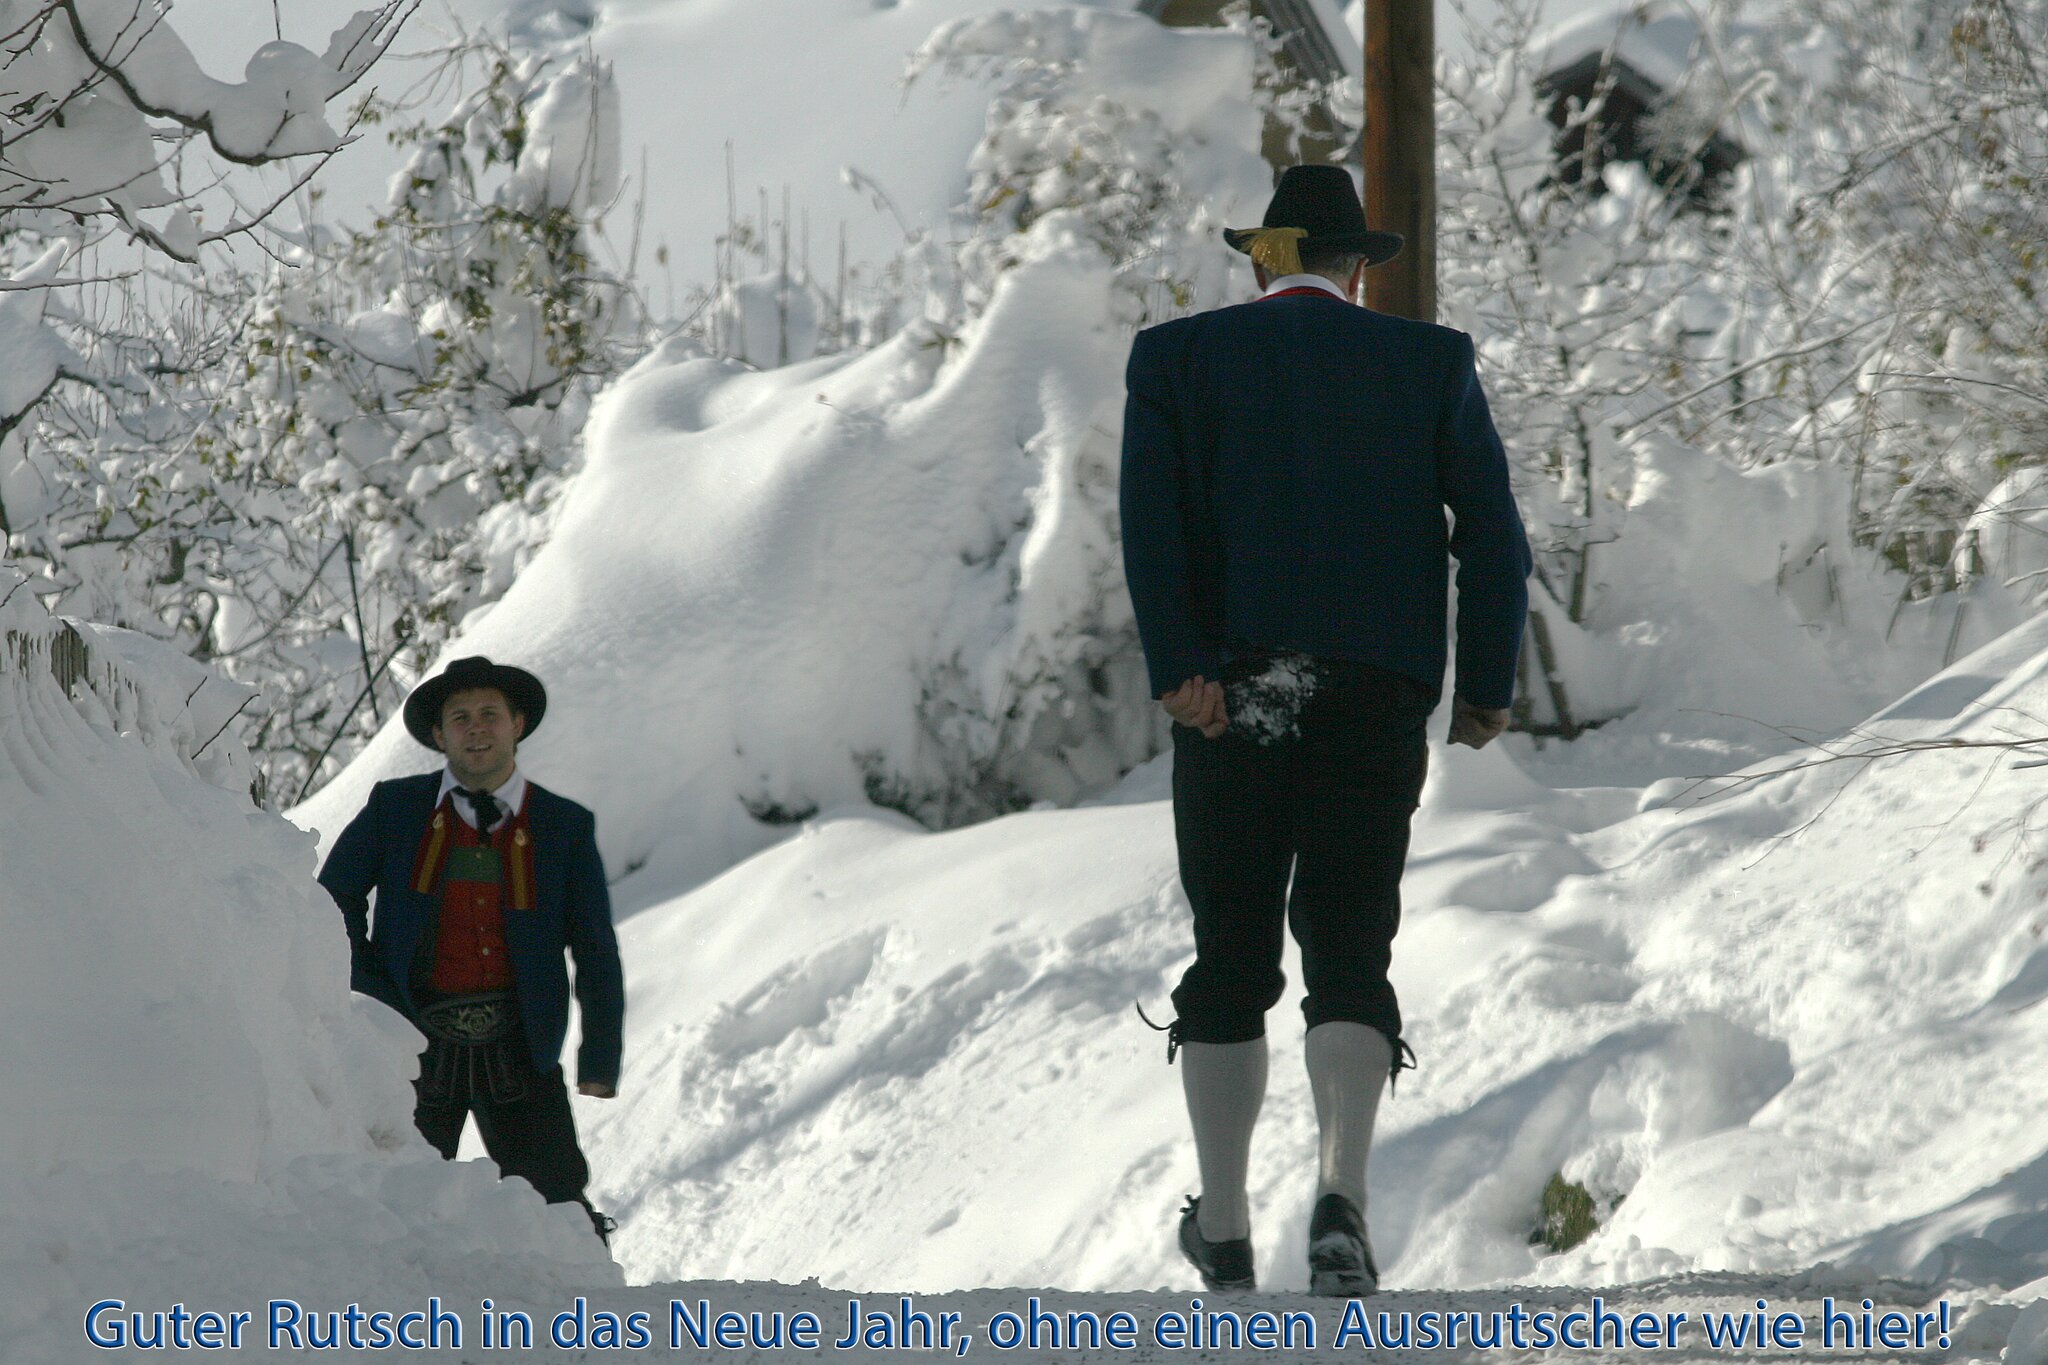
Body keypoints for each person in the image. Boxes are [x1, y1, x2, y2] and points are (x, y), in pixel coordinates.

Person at [1120, 165, 1531, 1295]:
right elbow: (1492, 538)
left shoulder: (1174, 360)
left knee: (1231, 953)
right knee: (1349, 945)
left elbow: (1147, 531)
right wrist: (1481, 685)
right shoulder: (1428, 362)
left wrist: (1177, 671)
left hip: (1228, 691)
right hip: (1373, 691)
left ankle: (1227, 1221)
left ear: (1262, 255)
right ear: (1356, 265)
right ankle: (1339, 1203)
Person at [318, 655, 625, 1243]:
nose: (476, 727)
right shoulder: (395, 809)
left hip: (520, 1044)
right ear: (439, 736)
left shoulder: (563, 825)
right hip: (411, 1046)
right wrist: (378, 1000)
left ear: (518, 724)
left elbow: (594, 949)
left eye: (490, 714)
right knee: (391, 1202)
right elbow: (331, 903)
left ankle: (579, 1324)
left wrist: (600, 1057)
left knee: (558, 1207)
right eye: (460, 718)